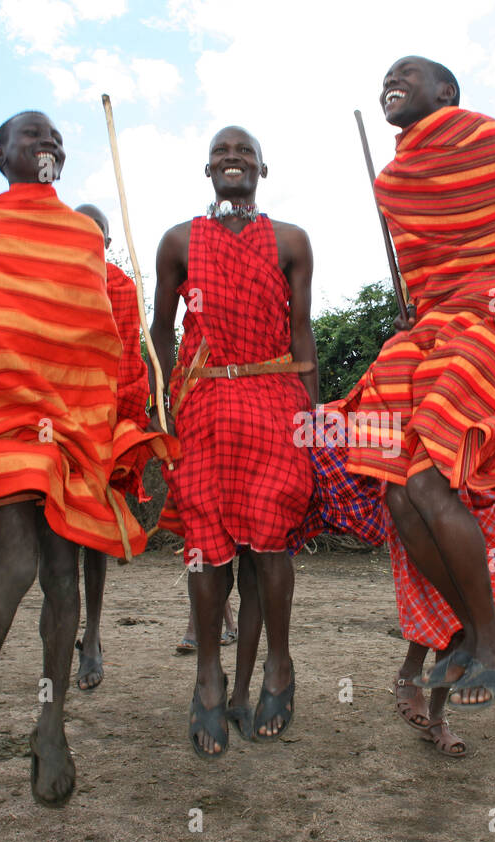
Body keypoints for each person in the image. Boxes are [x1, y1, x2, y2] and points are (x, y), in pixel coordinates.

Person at [0, 110, 174, 805]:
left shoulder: (83, 239)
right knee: (19, 564)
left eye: (56, 135)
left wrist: (118, 426)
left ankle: (50, 723)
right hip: (5, 430)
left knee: (62, 580)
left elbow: (100, 341)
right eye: (32, 135)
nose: (48, 142)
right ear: (0, 153)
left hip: (71, 428)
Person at [344, 56, 495, 711]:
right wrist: (421, 304)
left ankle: (489, 642)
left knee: (428, 478)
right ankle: (470, 632)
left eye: (406, 74)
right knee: (401, 496)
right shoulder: (396, 179)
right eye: (384, 77)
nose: (389, 81)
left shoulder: (484, 140)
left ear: (445, 92)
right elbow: (431, 268)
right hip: (439, 322)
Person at [151, 126, 317, 757]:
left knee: (267, 545)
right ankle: (212, 682)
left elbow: (301, 332)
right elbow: (160, 332)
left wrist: (315, 415)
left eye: (243, 152)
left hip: (275, 401)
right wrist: (164, 404)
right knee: (206, 547)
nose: (232, 159)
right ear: (207, 168)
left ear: (262, 168)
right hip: (203, 406)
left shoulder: (291, 241)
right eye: (221, 152)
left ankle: (275, 669)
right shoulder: (177, 242)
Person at [69, 202, 154, 691]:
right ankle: (63, 634)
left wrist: (122, 423)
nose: (89, 241)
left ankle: (94, 634)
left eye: (97, 234)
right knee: (56, 539)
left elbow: (129, 360)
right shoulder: (49, 282)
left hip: (103, 425)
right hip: (55, 423)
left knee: (94, 537)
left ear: (107, 242)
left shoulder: (121, 287)